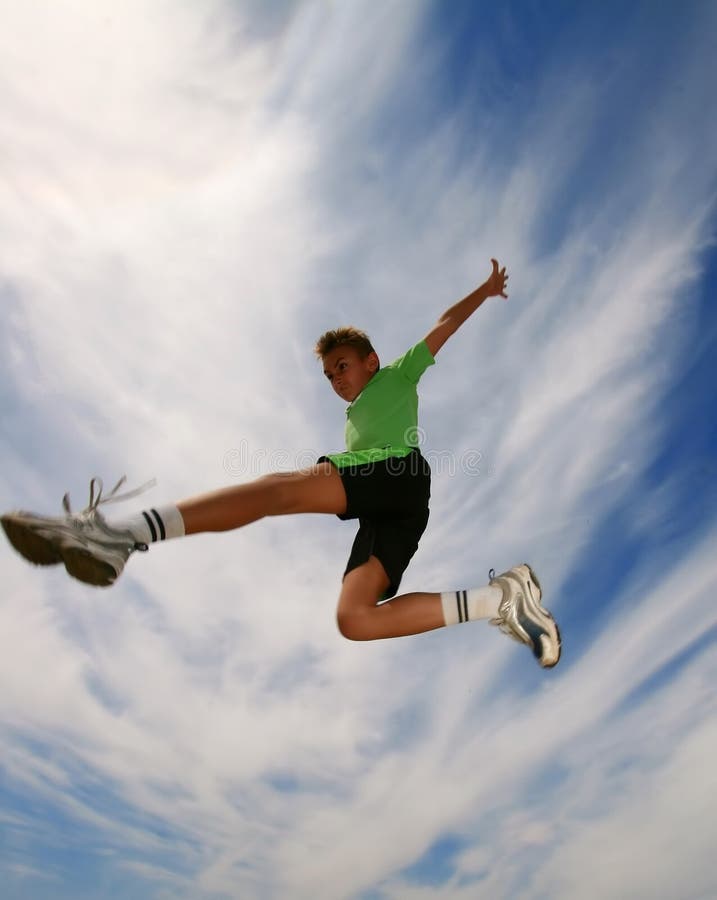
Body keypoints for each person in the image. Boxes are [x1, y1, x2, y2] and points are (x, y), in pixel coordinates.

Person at [1, 260, 561, 667]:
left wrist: (484, 291)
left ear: (372, 361)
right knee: (355, 619)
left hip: (396, 472)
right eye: (329, 375)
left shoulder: (399, 374)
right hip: (399, 507)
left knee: (278, 490)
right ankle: (501, 599)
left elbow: (443, 323)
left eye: (343, 366)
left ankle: (119, 535)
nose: (337, 378)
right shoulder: (353, 419)